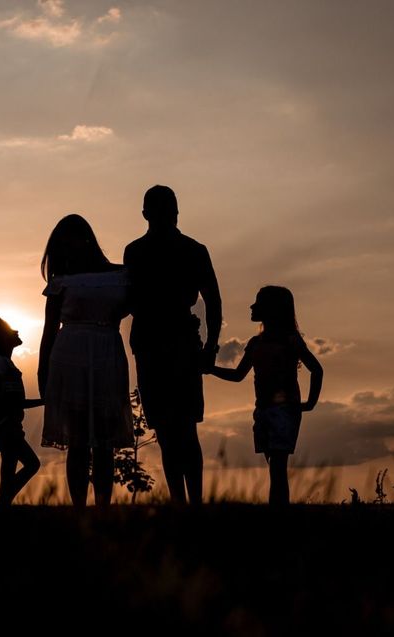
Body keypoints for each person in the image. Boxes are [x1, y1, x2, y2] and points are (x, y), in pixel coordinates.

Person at [123, 185, 221, 504]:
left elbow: (213, 300)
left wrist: (210, 347)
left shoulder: (192, 250)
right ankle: (183, 502)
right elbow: (129, 295)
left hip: (177, 344)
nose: (169, 214)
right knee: (168, 431)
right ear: (147, 214)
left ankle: (190, 502)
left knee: (181, 428)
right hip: (155, 344)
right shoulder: (136, 252)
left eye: (170, 208)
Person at [38, 214, 134, 507]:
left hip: (107, 354)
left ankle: (103, 507)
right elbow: (49, 330)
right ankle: (79, 507)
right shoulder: (61, 282)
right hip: (70, 358)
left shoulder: (121, 275)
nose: (69, 248)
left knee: (104, 441)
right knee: (78, 440)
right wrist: (43, 372)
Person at [206, 286, 323, 505]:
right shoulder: (255, 343)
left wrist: (310, 404)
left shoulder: (290, 340)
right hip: (263, 411)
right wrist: (211, 369)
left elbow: (316, 369)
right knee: (275, 467)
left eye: (258, 303)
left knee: (278, 467)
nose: (252, 306)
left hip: (284, 410)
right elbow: (238, 375)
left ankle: (277, 514)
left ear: (273, 309)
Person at [0, 317, 43, 505]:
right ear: (1, 338)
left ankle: (3, 505)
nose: (16, 331)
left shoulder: (2, 362)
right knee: (31, 464)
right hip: (5, 426)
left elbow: (14, 401)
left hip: (8, 424)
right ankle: (3, 502)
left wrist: (44, 401)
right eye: (10, 329)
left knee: (10, 470)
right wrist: (4, 421)